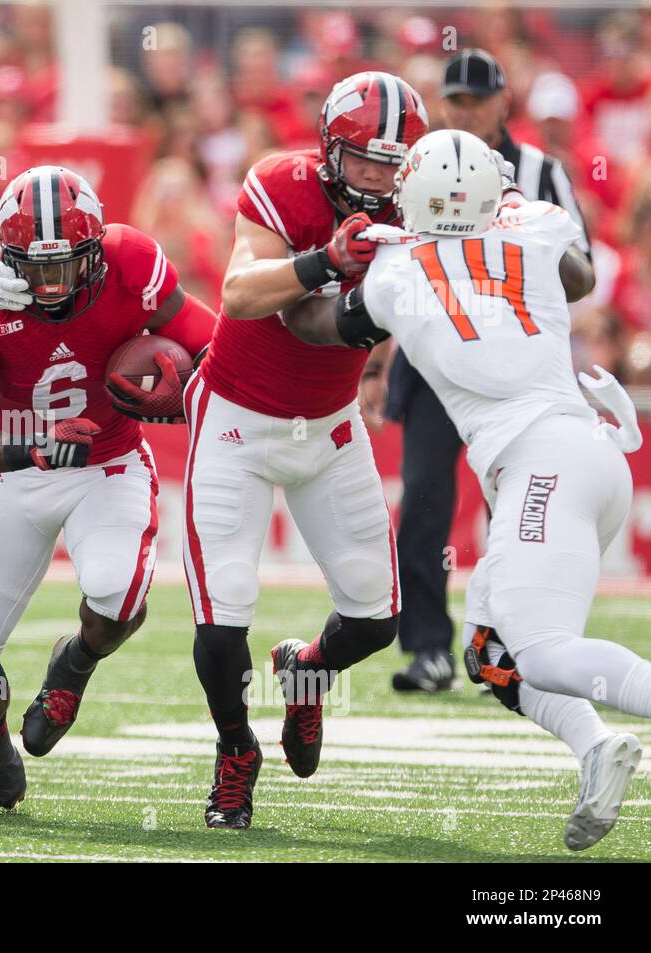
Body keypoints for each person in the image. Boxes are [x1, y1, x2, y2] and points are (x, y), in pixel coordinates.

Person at [283, 128, 646, 852]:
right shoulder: (538, 230)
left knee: (540, 652)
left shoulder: (389, 272)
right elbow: (577, 274)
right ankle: (596, 747)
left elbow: (312, 322)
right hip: (587, 450)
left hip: (544, 462)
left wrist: (317, 264)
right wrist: (504, 206)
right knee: (491, 652)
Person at [0, 165, 217, 814]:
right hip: (16, 469)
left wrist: (189, 384)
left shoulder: (132, 259)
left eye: (66, 266)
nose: (51, 284)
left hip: (108, 464)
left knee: (116, 591)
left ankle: (75, 663)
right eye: (33, 269)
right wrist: (34, 441)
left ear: (96, 252)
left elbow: (208, 339)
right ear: (3, 259)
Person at [185, 72, 425, 829]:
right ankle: (235, 752)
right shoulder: (281, 182)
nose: (380, 178)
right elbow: (241, 293)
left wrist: (381, 369)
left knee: (377, 618)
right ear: (329, 149)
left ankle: (307, 671)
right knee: (223, 613)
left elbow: (398, 309)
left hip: (330, 422)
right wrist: (324, 259)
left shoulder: (421, 206)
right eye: (364, 160)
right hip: (237, 418)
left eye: (394, 164)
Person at [385, 48, 592, 693]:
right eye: (455, 101)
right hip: (434, 358)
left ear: (504, 101)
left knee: (521, 497)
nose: (464, 111)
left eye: (475, 100)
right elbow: (396, 263)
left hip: (511, 359)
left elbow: (582, 271)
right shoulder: (420, 167)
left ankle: (507, 637)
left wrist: (513, 239)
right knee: (422, 497)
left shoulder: (538, 174)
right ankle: (428, 647)